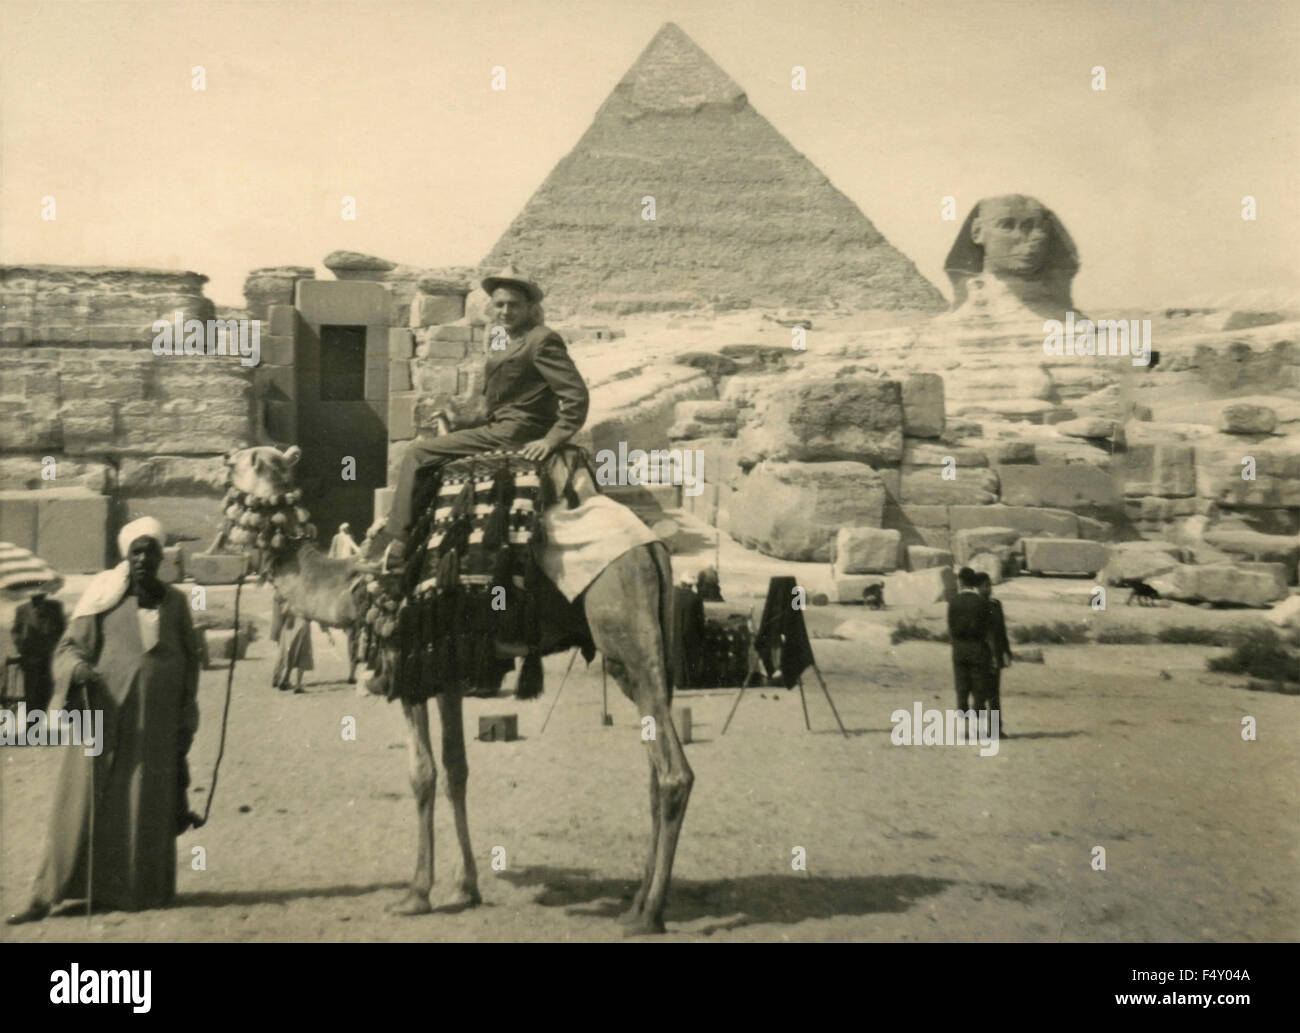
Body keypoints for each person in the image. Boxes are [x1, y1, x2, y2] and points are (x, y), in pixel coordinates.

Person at [6, 517, 201, 924]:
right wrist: (78, 671)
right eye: (137, 551)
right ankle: (48, 894)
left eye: (151, 550)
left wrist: (185, 714)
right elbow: (69, 648)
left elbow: (190, 661)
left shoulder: (177, 603)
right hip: (104, 718)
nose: (144, 558)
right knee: (80, 802)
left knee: (145, 805)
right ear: (126, 557)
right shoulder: (104, 598)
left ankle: (133, 892)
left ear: (162, 556)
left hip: (158, 727)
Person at [376, 266, 590, 565]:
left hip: (516, 432)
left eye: (513, 305)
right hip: (500, 425)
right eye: (499, 304)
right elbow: (496, 400)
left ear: (530, 307)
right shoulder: (505, 338)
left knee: (418, 453)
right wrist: (460, 420)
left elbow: (576, 396)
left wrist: (552, 439)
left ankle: (397, 539)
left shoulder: (542, 340)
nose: (504, 311)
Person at [947, 567, 994, 726]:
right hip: (978, 648)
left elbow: (951, 628)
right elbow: (988, 628)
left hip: (959, 649)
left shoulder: (953, 601)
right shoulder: (982, 602)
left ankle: (964, 727)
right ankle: (978, 728)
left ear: (960, 581)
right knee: (979, 691)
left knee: (962, 690)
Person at [10, 591, 66, 712]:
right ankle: (32, 724)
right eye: (35, 598)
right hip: (30, 660)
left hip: (49, 658)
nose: (37, 600)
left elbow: (63, 630)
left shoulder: (55, 607)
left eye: (40, 597)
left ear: (45, 596)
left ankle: (42, 720)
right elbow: (15, 632)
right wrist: (21, 647)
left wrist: (56, 647)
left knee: (47, 691)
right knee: (31, 693)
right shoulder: (22, 609)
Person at [976, 571, 1012, 731]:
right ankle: (982, 728)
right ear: (978, 587)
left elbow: (1002, 631)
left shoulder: (996, 605)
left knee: (994, 693)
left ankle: (996, 729)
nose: (989, 588)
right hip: (979, 654)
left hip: (995, 654)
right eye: (986, 586)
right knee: (980, 693)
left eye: (990, 585)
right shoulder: (974, 606)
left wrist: (1006, 652)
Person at [270, 594, 313, 693]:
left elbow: (282, 611)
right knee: (303, 654)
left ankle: (283, 679)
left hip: (288, 626)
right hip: (302, 624)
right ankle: (297, 685)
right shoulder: (304, 591)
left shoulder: (285, 593)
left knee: (288, 653)